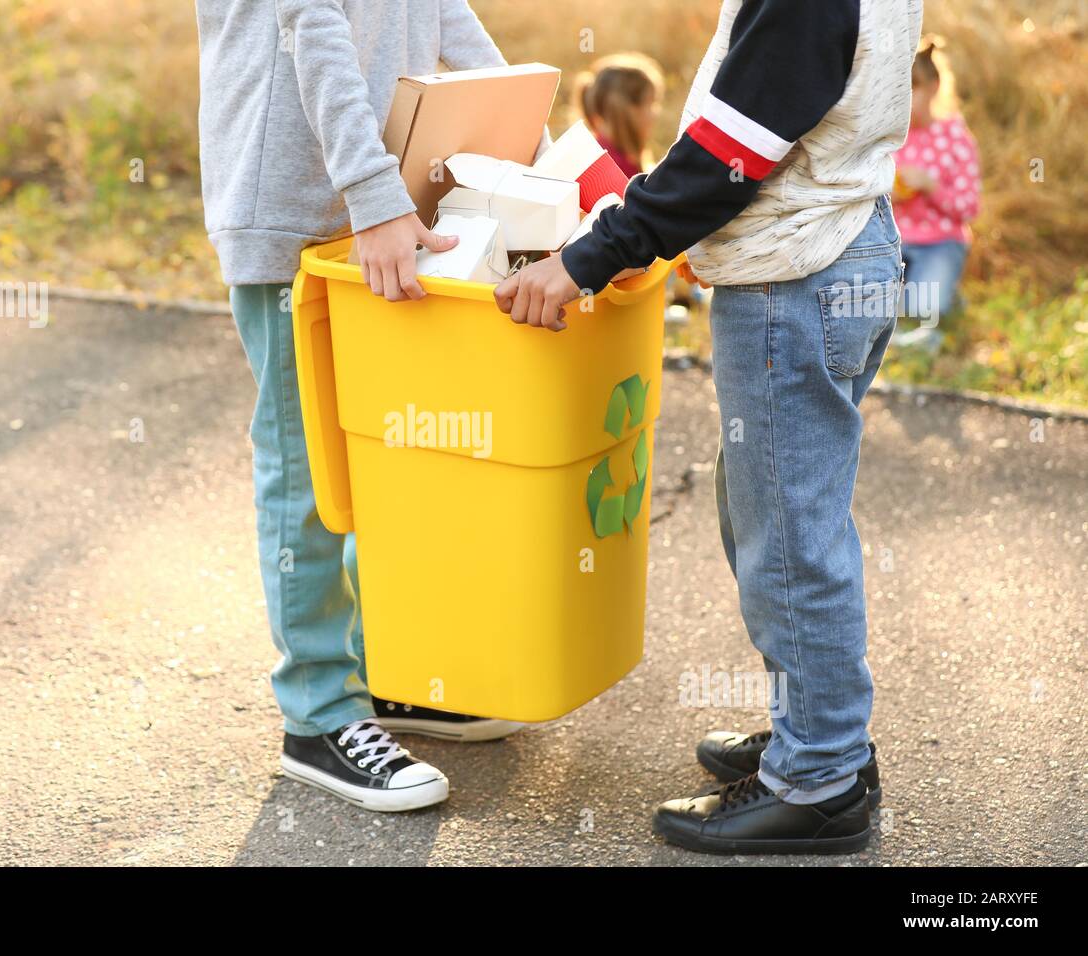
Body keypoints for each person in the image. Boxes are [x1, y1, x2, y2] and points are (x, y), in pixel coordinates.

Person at [495, 0, 922, 854]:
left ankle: (821, 781)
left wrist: (591, 255)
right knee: (772, 515)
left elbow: (733, 154)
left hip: (795, 270)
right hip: (841, 242)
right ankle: (817, 732)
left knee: (791, 537)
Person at [194, 0, 522, 814]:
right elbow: (310, 23)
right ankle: (318, 714)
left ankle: (382, 676)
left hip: (385, 214)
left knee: (389, 460)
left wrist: (543, 163)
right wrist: (374, 195)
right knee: (305, 465)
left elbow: (450, 23)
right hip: (301, 215)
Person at [891, 35, 980, 351]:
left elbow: (969, 208)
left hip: (939, 242)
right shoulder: (891, 136)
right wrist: (890, 193)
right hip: (896, 242)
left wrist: (931, 187)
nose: (905, 98)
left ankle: (943, 300)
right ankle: (944, 297)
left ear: (932, 89)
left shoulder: (955, 137)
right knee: (871, 305)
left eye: (912, 90)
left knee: (917, 310)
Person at [575, 53, 666, 178]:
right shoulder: (617, 169)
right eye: (650, 103)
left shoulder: (597, 154)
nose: (655, 113)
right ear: (629, 109)